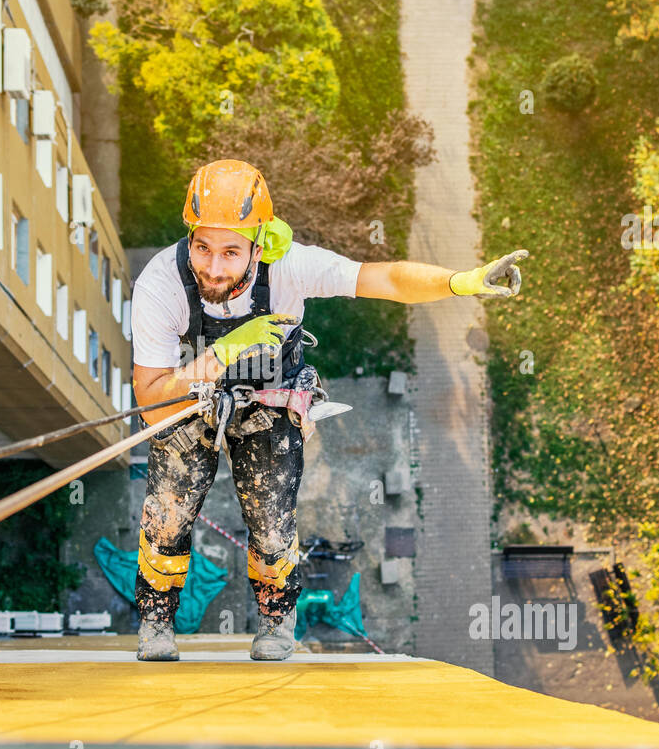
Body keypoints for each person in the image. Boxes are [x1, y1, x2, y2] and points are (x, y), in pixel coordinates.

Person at [129, 159, 527, 661]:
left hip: (267, 397)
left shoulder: (291, 265)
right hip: (187, 397)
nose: (212, 267)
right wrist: (224, 352)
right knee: (168, 512)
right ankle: (156, 619)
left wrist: (462, 282)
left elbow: (386, 280)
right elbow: (151, 401)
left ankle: (276, 618)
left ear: (259, 244)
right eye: (202, 247)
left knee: (271, 517)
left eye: (231, 252)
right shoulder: (161, 284)